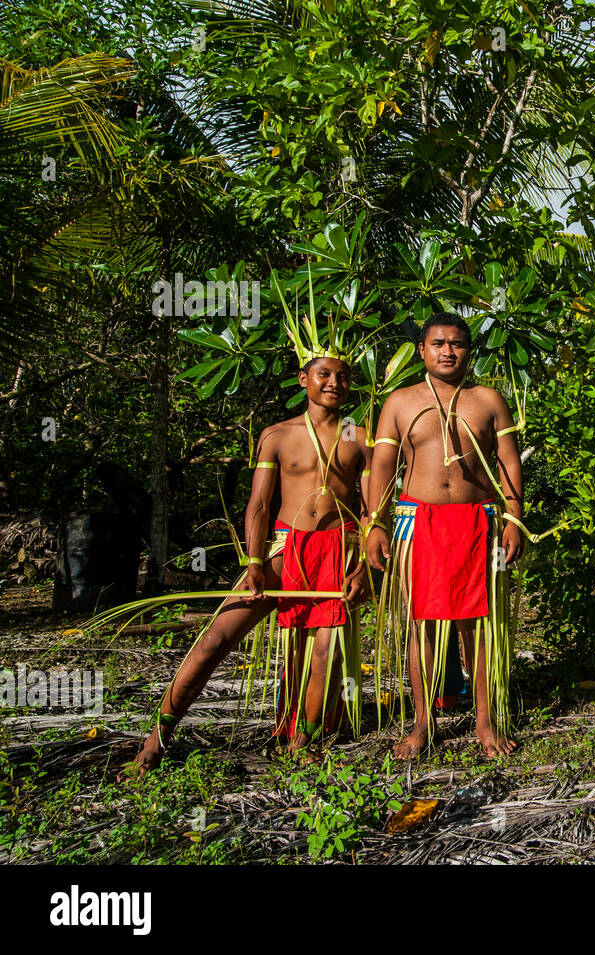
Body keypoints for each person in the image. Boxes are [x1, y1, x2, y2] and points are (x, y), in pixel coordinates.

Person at [120, 355, 370, 777]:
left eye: (343, 376)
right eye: (324, 374)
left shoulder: (359, 435)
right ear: (303, 378)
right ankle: (156, 740)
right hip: (283, 548)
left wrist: (361, 565)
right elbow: (258, 503)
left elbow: (371, 508)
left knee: (324, 655)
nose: (334, 383)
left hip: (335, 553)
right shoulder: (278, 435)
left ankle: (301, 740)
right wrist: (254, 561)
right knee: (215, 639)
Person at [365, 313, 524, 758]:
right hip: (417, 521)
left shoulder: (489, 399)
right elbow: (381, 467)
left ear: (469, 350)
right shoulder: (399, 401)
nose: (448, 351)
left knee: (480, 625)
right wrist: (374, 523)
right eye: (438, 343)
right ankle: (422, 725)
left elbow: (509, 462)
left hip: (479, 520)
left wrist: (514, 518)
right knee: (422, 624)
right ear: (422, 349)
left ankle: (486, 723)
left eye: (457, 344)